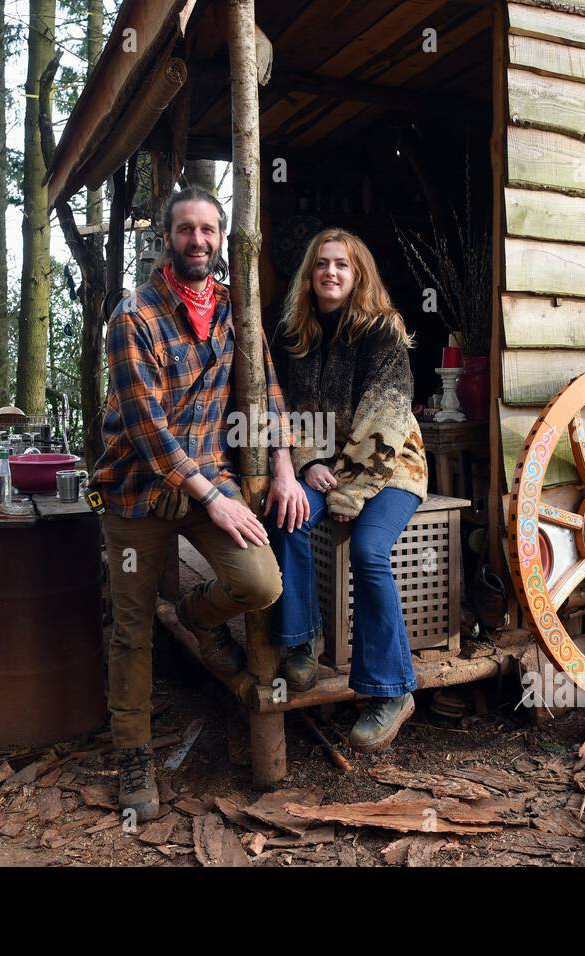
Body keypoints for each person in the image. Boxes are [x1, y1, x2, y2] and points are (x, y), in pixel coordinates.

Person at [92, 186, 309, 822]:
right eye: (185, 230)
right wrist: (214, 497)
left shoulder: (236, 312)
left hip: (208, 480)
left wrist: (284, 466)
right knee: (132, 632)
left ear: (222, 239)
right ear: (166, 238)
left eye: (209, 230)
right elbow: (146, 428)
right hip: (138, 489)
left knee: (259, 581)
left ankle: (194, 613)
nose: (199, 241)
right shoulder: (132, 318)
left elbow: (266, 390)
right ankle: (133, 755)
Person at [267, 229, 427, 754]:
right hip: (326, 467)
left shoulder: (383, 331)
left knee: (368, 550)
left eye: (342, 265)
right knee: (287, 514)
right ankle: (303, 640)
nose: (331, 273)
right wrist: (308, 462)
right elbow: (291, 411)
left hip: (391, 466)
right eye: (321, 265)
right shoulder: (297, 335)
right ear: (309, 277)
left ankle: (393, 691)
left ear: (358, 275)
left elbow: (386, 417)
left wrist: (354, 491)